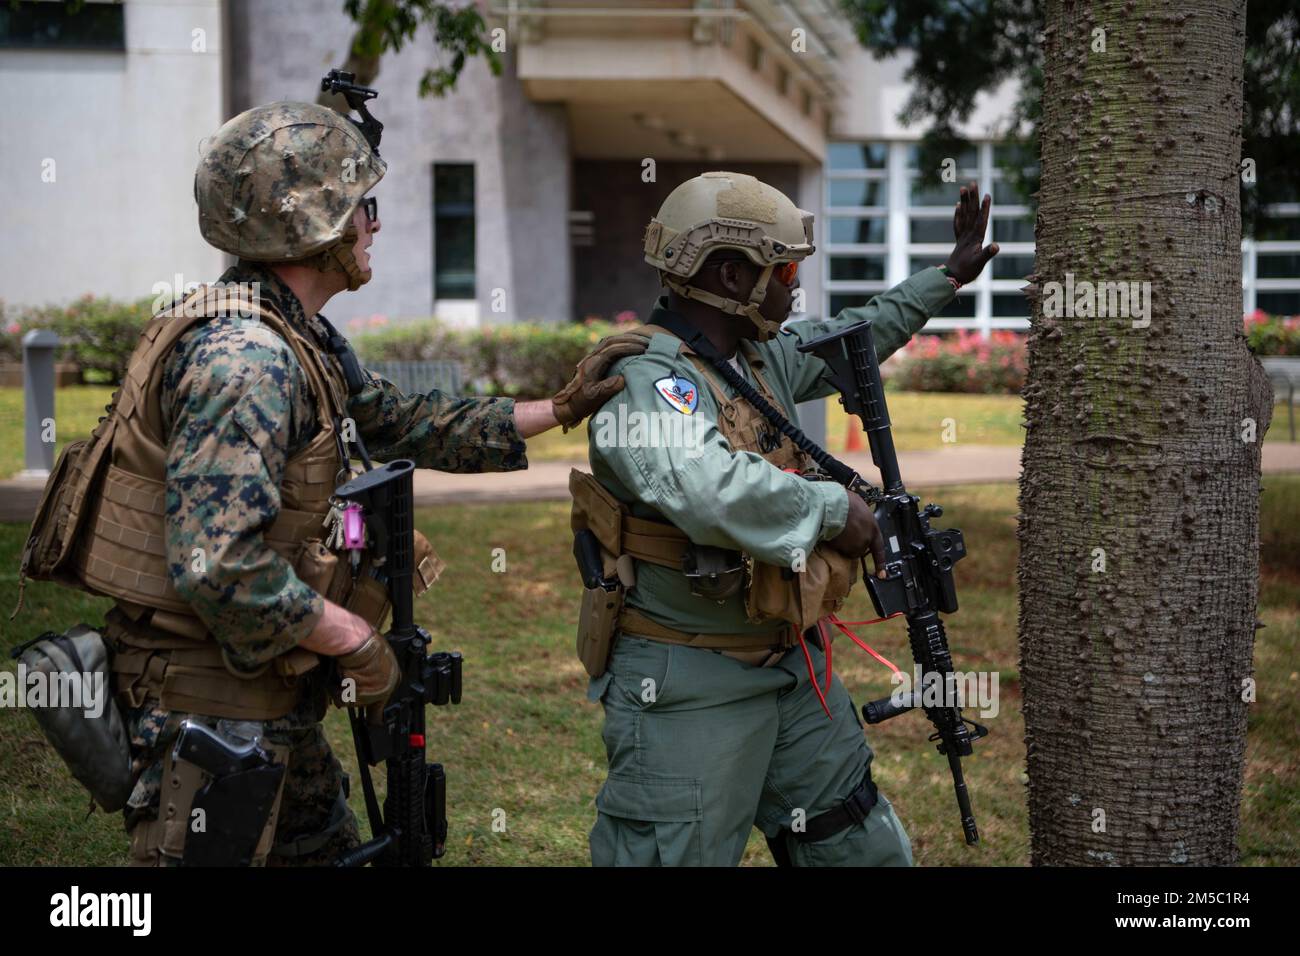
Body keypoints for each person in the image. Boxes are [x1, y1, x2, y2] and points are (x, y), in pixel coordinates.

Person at [71, 99, 640, 866]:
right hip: (209, 710)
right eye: (362, 207)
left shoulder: (296, 334)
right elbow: (218, 564)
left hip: (262, 693)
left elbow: (398, 421)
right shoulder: (247, 361)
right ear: (317, 226)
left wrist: (558, 409)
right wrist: (358, 641)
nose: (376, 225)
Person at [574, 170, 998, 866]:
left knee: (856, 845)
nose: (794, 284)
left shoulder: (753, 356)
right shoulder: (649, 381)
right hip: (691, 682)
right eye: (787, 267)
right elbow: (706, 488)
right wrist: (836, 510)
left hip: (795, 669)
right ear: (733, 274)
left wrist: (946, 277)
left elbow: (852, 337)